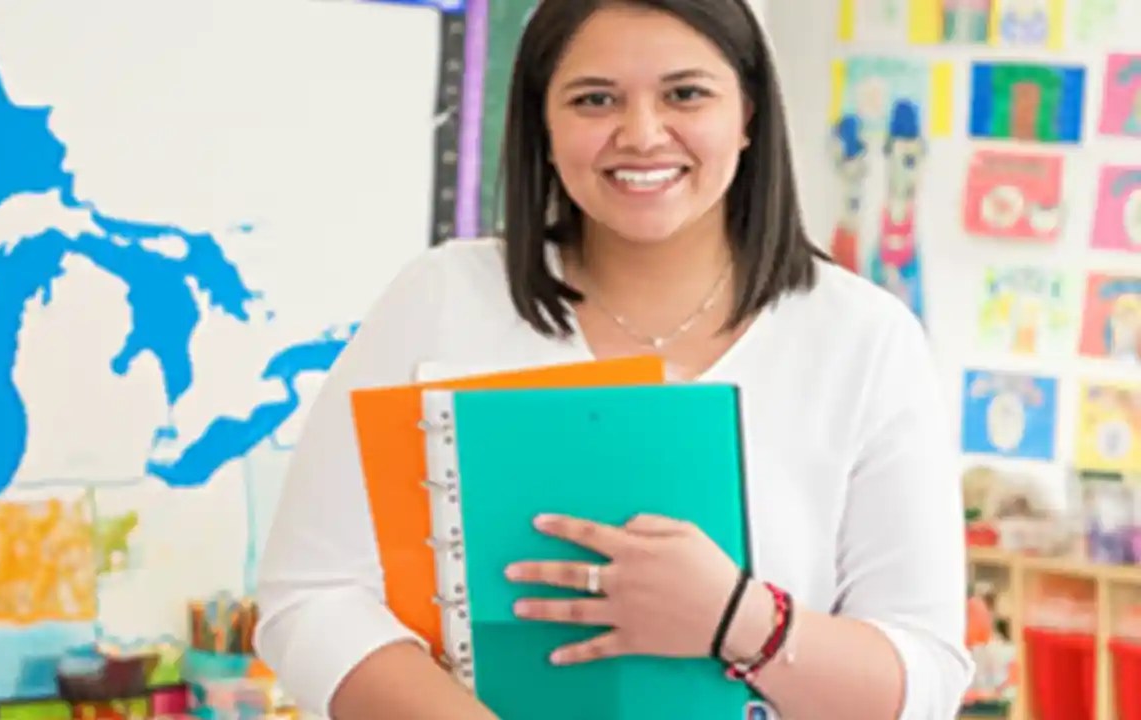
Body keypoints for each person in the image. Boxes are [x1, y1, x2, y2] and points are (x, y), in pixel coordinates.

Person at [254, 0, 974, 718]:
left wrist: (734, 618)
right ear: (544, 120)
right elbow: (310, 595)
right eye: (595, 99)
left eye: (685, 93)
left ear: (748, 112)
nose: (642, 134)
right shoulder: (443, 299)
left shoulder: (865, 339)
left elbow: (926, 680)